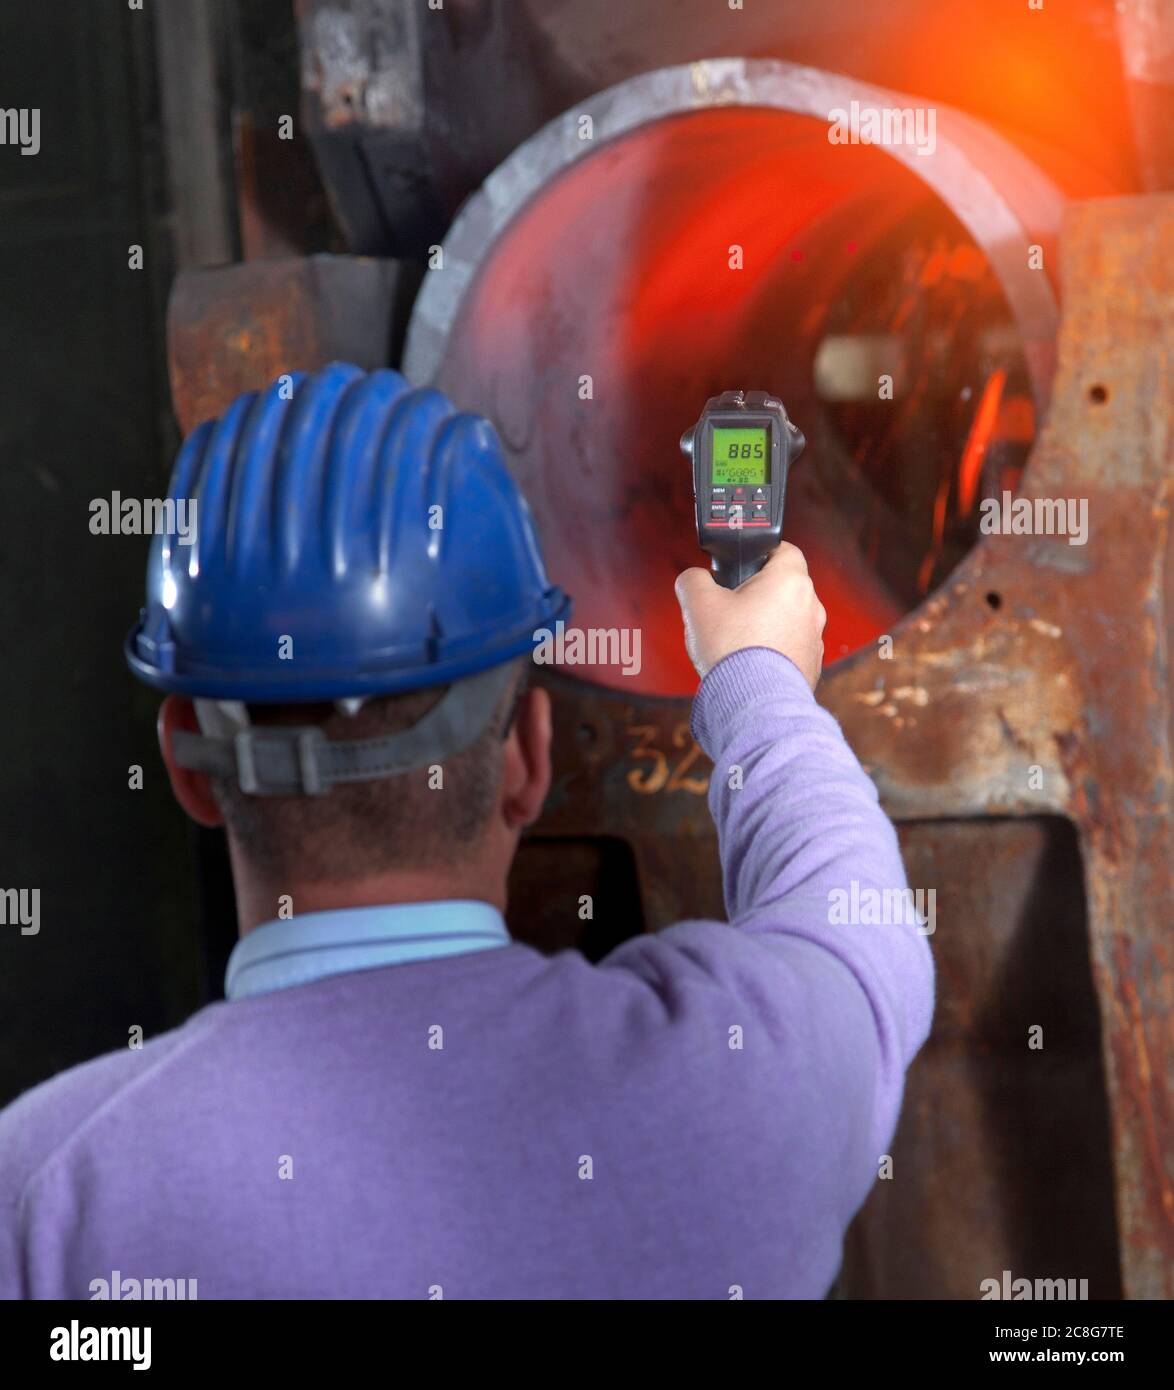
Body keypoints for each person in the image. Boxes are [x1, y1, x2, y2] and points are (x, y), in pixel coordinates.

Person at [0, 364, 933, 1299]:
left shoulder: (44, 1198)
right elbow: (853, 929)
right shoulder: (749, 1088)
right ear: (529, 757)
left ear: (185, 766)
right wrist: (757, 674)